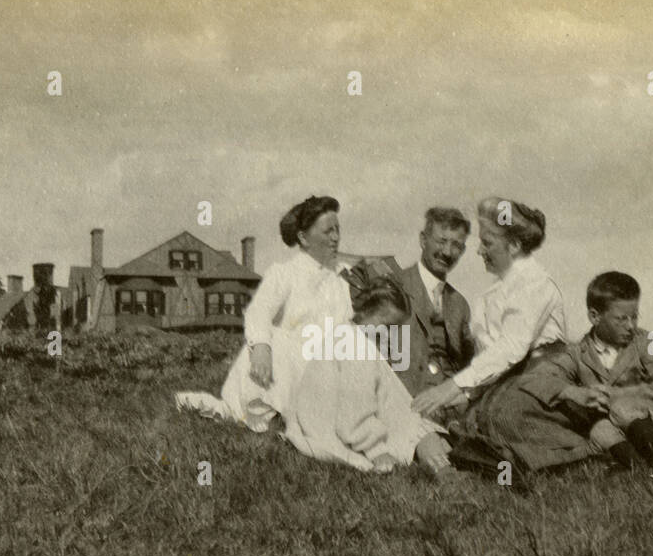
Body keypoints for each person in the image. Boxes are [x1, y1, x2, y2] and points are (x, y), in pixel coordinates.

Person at [457, 271, 653, 491]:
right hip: (616, 429)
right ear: (594, 316)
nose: (631, 326)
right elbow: (536, 379)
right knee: (597, 425)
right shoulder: (576, 354)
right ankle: (640, 472)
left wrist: (614, 395)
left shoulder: (649, 341)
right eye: (621, 319)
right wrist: (572, 392)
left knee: (619, 409)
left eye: (634, 317)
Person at [176, 195, 351, 432]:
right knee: (276, 338)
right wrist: (261, 346)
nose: (336, 238)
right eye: (328, 231)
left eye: (337, 230)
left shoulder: (344, 277)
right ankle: (269, 413)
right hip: (292, 366)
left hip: (332, 366)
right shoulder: (285, 273)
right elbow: (259, 311)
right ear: (303, 238)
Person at [410, 196, 568, 419]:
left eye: (488, 243)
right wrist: (445, 398)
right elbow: (488, 370)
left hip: (537, 397)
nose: (479, 251)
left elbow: (511, 348)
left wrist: (451, 388)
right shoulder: (498, 290)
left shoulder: (534, 284)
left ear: (513, 246)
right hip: (504, 392)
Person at [286, 277, 449, 472]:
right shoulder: (356, 347)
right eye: (386, 326)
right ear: (364, 312)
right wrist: (376, 450)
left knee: (419, 428)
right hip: (334, 429)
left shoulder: (348, 334)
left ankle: (428, 441)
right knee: (423, 438)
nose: (390, 336)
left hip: (325, 421)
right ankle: (430, 451)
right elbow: (354, 412)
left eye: (395, 330)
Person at [387, 207, 475, 397]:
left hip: (449, 412)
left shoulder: (460, 304)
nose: (447, 252)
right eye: (441, 241)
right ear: (423, 240)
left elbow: (467, 368)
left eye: (456, 245)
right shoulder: (393, 287)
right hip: (402, 404)